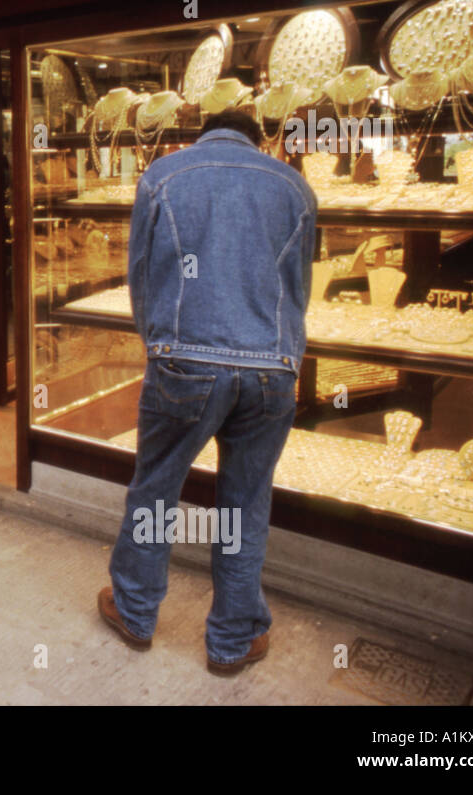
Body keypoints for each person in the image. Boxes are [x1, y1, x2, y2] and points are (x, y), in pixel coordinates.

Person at [99, 109, 315, 676]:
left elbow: (141, 276)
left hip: (184, 361)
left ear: (203, 134)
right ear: (257, 137)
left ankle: (134, 611)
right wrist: (285, 352)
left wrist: (158, 344)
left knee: (156, 489)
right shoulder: (294, 186)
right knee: (245, 500)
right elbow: (298, 287)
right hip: (271, 367)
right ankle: (232, 640)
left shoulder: (163, 175)